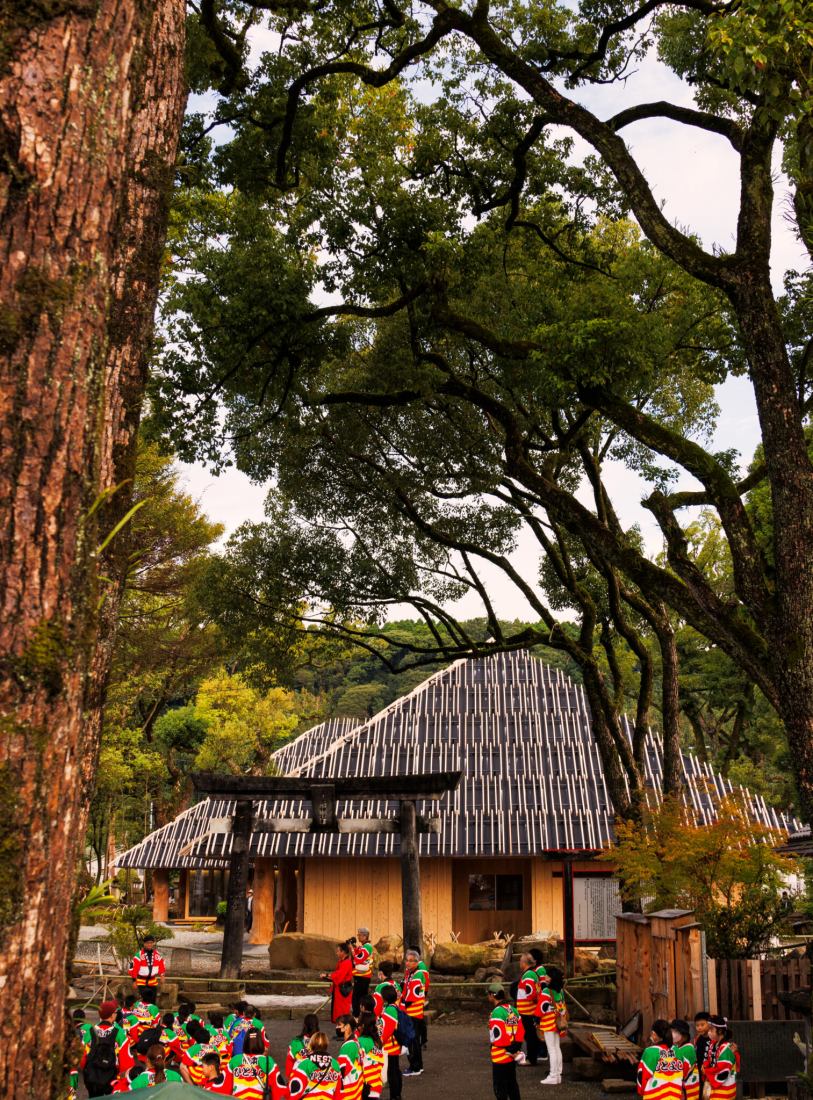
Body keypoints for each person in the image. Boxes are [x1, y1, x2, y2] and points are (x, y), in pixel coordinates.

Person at [82, 1000, 130, 1098]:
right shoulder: (120, 1034)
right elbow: (126, 1063)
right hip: (111, 1078)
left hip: (92, 1077)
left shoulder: (89, 1031)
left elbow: (82, 1059)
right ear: (112, 1016)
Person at [487, 981, 523, 1100]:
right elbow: (521, 1030)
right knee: (512, 1085)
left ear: (492, 995)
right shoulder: (512, 1009)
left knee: (500, 1088)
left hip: (500, 1055)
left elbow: (498, 1035)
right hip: (512, 1055)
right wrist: (516, 1047)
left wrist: (508, 1048)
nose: (488, 997)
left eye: (488, 994)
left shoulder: (497, 1012)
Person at [229, 1028, 286, 1100]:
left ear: (245, 1042)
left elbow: (222, 1089)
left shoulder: (235, 1060)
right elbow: (279, 1089)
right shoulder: (268, 1061)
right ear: (260, 1042)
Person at [637, 1018, 683, 1099]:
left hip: (655, 1096)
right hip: (675, 1096)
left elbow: (642, 1076)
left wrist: (641, 1092)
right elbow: (684, 1073)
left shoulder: (650, 1052)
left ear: (654, 1034)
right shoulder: (677, 1051)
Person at [286, 1031, 342, 1098]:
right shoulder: (335, 1064)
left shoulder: (305, 1064)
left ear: (312, 1044)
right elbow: (339, 1093)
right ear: (326, 1045)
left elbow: (295, 1089)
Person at [399, 949, 426, 1077]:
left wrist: (402, 1003)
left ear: (416, 962)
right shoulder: (411, 973)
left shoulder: (418, 974)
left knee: (412, 1040)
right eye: (407, 960)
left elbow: (412, 996)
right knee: (414, 1040)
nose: (408, 963)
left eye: (410, 961)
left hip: (413, 1013)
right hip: (413, 1012)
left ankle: (415, 1067)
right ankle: (417, 1066)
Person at [538, 965, 566, 1085]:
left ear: (551, 978)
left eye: (548, 975)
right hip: (558, 1022)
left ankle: (553, 1076)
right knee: (557, 1047)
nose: (545, 977)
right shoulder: (561, 991)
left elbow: (540, 1009)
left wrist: (536, 1020)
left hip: (549, 1023)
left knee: (551, 1050)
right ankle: (558, 1074)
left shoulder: (546, 991)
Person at [516, 950, 543, 1067]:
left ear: (524, 962)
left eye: (520, 961)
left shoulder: (528, 975)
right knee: (530, 1035)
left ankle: (531, 1059)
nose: (519, 963)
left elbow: (531, 992)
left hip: (527, 1011)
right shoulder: (532, 973)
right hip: (529, 1010)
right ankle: (532, 1057)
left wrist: (532, 1000)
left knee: (530, 1035)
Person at [702, 1016, 738, 1100]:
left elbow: (722, 1070)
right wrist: (705, 1065)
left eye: (711, 1030)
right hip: (716, 1086)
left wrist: (707, 1071)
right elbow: (709, 1059)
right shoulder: (713, 1044)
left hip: (724, 1088)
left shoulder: (726, 1049)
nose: (709, 1032)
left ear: (720, 1031)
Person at [357, 1002, 385, 1100]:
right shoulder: (377, 1041)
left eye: (359, 1023)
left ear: (363, 1026)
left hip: (366, 1087)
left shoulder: (362, 1042)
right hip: (376, 1084)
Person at [320, 942, 354, 1023]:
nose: (337, 953)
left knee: (342, 1008)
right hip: (340, 988)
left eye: (338, 951)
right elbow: (337, 974)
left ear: (343, 952)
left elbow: (339, 975)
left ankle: (342, 1024)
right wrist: (328, 976)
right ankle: (340, 1023)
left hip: (343, 988)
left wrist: (327, 975)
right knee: (339, 1008)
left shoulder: (346, 963)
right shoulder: (343, 962)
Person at [128, 935, 166, 1005]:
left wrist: (162, 975)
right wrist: (134, 981)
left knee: (153, 1001)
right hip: (141, 981)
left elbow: (162, 965)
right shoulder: (138, 955)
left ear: (153, 943)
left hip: (153, 981)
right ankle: (144, 1014)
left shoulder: (157, 955)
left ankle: (151, 1015)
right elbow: (133, 968)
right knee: (146, 1000)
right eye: (148, 943)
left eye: (151, 943)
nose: (149, 944)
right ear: (144, 944)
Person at [379, 986, 402, 1100]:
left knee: (392, 1071)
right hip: (396, 1044)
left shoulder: (389, 1010)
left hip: (391, 1045)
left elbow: (387, 1030)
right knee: (395, 1069)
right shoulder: (395, 1007)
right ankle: (397, 1094)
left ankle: (395, 1095)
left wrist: (380, 1042)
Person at [335, 1014, 365, 1100]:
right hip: (356, 1089)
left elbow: (340, 1071)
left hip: (349, 1092)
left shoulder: (348, 1047)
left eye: (339, 1025)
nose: (337, 1028)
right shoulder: (355, 1040)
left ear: (347, 1027)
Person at [670, 1019, 699, 1100]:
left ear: (685, 1036)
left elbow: (682, 1069)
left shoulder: (688, 1048)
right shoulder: (675, 1047)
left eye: (676, 1032)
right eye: (671, 1031)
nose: (672, 1034)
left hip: (689, 1090)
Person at [286, 1014, 320, 1081]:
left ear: (304, 1025)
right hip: (315, 1077)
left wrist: (290, 1078)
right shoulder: (320, 1040)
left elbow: (289, 1061)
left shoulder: (296, 1042)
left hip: (298, 1077)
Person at [351, 927, 374, 1017]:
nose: (358, 936)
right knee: (359, 997)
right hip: (361, 976)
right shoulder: (363, 946)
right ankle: (362, 1015)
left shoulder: (367, 946)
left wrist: (352, 949)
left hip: (363, 976)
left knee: (357, 998)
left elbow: (359, 959)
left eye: (359, 935)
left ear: (365, 936)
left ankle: (357, 1016)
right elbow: (358, 954)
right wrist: (354, 947)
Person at [693, 1013, 711, 1088]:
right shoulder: (697, 1039)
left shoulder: (713, 1038)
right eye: (697, 1025)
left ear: (709, 1024)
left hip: (709, 1070)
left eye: (702, 1025)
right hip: (699, 1070)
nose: (699, 1028)